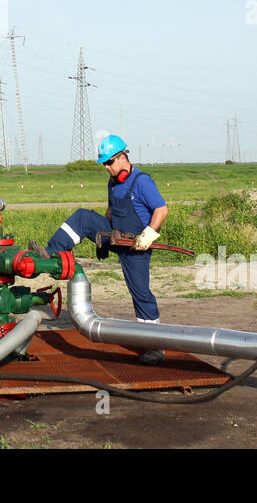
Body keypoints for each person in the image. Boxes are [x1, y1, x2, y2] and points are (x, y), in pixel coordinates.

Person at [44, 134, 169, 364]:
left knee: (141, 294)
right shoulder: (112, 183)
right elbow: (111, 212)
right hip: (115, 234)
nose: (107, 168)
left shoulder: (142, 181)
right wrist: (101, 240)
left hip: (137, 245)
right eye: (104, 164)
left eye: (109, 162)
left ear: (122, 157)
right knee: (83, 217)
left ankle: (155, 347)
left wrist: (149, 235)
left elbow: (161, 210)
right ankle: (52, 253)